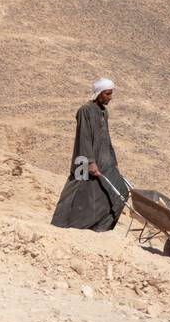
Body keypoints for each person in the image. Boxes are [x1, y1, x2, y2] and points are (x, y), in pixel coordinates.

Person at [51, 78, 128, 231]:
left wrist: (113, 161)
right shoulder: (85, 110)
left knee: (119, 192)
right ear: (99, 93)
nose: (110, 97)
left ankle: (100, 227)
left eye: (111, 94)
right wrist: (90, 162)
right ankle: (60, 224)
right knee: (75, 191)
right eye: (107, 94)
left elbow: (106, 137)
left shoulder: (104, 112)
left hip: (105, 161)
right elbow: (84, 138)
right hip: (84, 161)